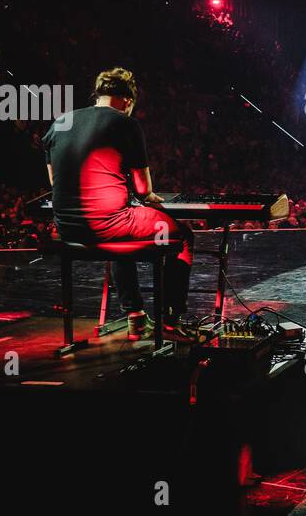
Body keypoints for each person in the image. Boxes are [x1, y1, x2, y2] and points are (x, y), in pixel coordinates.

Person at [41, 67, 194, 339]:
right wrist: (147, 198)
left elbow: (55, 183)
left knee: (120, 233)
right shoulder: (126, 123)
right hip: (107, 225)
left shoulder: (60, 121)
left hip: (67, 227)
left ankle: (135, 315)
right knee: (183, 237)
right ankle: (171, 320)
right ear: (127, 100)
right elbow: (143, 189)